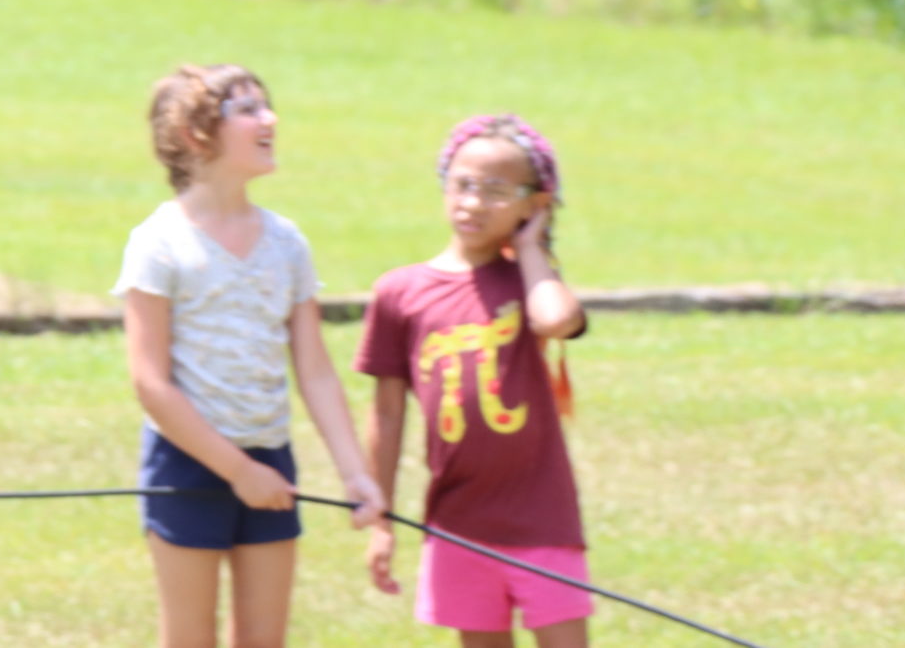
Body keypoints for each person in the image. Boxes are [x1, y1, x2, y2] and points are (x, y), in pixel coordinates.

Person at [115, 63, 384, 648]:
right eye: (248, 110)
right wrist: (237, 472)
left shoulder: (286, 243)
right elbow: (150, 384)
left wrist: (355, 473)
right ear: (195, 135)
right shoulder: (158, 244)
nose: (271, 119)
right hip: (187, 464)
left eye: (267, 105)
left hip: (271, 461)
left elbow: (315, 371)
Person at [357, 115, 590, 648]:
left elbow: (556, 320)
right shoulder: (399, 293)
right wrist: (382, 520)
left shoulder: (531, 283)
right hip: (458, 523)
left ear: (534, 204)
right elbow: (387, 415)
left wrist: (530, 249)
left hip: (543, 521)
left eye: (497, 191)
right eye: (462, 184)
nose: (474, 202)